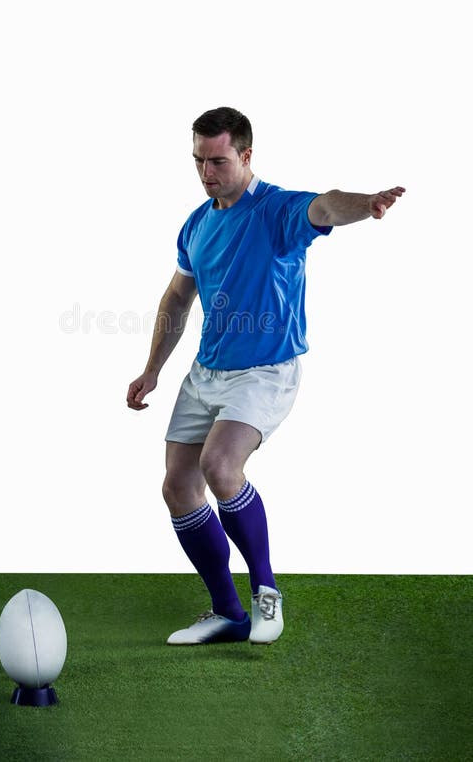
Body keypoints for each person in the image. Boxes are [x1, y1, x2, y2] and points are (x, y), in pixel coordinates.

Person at [127, 106, 405, 646]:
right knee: (178, 487)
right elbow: (178, 297)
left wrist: (364, 204)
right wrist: (152, 368)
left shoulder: (275, 210)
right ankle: (227, 612)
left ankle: (265, 591)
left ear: (246, 155)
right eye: (198, 161)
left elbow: (324, 206)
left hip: (265, 370)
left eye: (218, 160)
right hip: (206, 371)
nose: (207, 172)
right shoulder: (198, 222)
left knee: (220, 466)